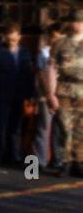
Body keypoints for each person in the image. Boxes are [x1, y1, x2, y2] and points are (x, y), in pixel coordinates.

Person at [0, 24, 34, 165]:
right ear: (5, 37)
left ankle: (14, 155)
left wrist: (30, 94)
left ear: (19, 37)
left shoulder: (25, 53)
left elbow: (29, 74)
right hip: (1, 93)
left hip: (19, 94)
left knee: (15, 126)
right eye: (9, 38)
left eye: (14, 38)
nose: (12, 41)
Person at [47, 8, 83, 177]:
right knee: (65, 126)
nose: (78, 24)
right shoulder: (60, 43)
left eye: (80, 21)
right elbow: (52, 69)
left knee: (81, 128)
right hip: (65, 89)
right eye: (75, 21)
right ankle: (65, 161)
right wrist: (51, 93)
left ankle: (79, 161)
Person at [34, 24, 65, 173]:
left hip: (63, 95)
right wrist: (46, 94)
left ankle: (58, 160)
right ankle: (38, 162)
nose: (55, 40)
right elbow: (40, 74)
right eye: (53, 37)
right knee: (43, 127)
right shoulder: (44, 53)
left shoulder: (66, 53)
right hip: (46, 95)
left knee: (60, 129)